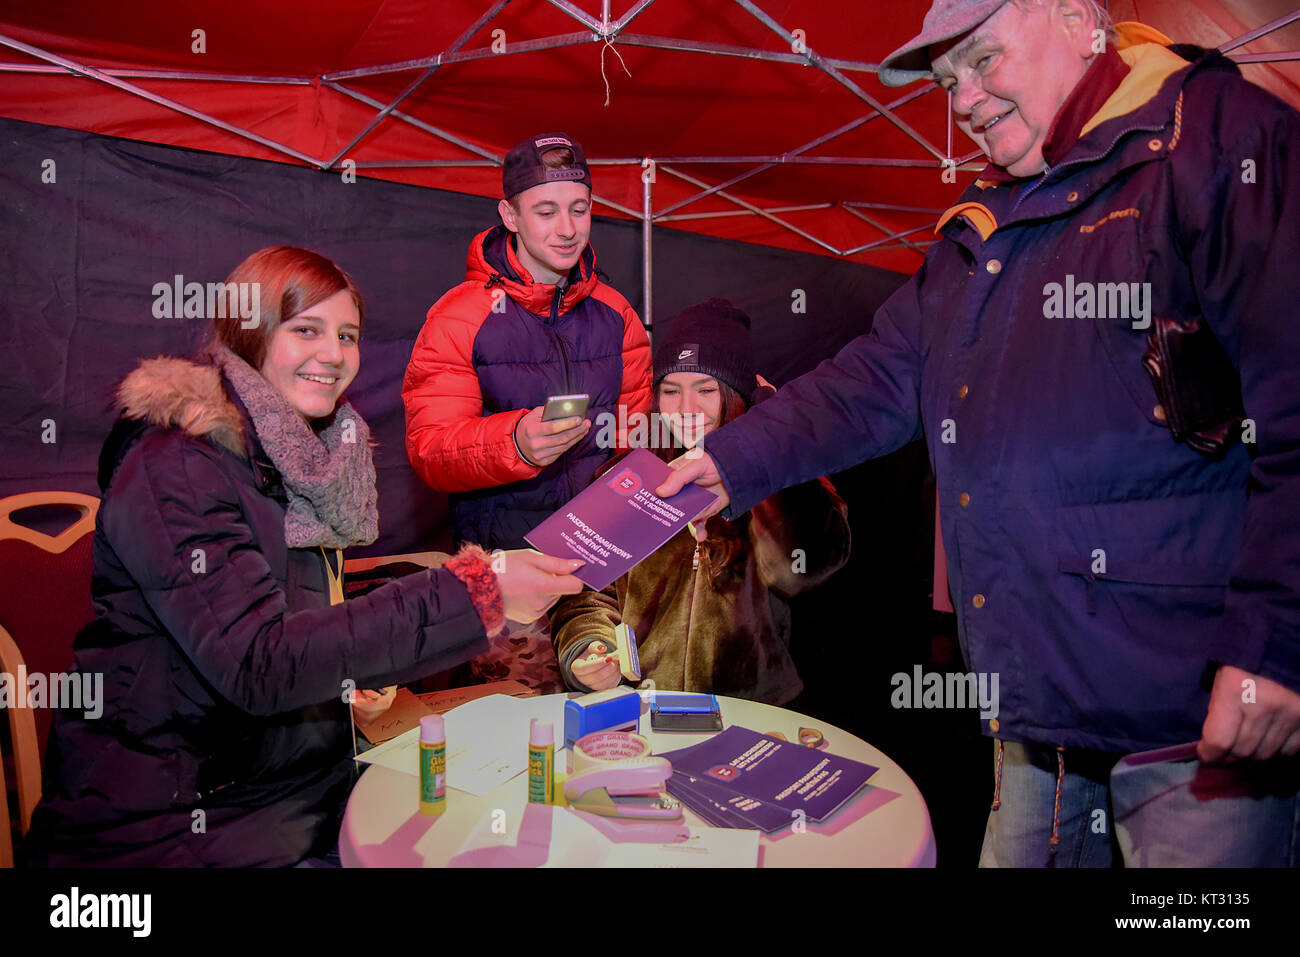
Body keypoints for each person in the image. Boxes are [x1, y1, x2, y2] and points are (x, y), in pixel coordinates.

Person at [658, 0, 1300, 866]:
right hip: (1034, 710)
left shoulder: (1215, 139)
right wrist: (729, 459)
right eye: (948, 78)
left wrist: (1276, 643)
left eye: (982, 58)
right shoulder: (980, 233)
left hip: (1187, 721)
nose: (963, 96)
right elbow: (873, 379)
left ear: (1079, 21)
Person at [22, 246, 584, 867]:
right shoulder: (176, 463)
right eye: (306, 330)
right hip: (172, 825)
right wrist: (476, 591)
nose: (334, 354)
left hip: (294, 793)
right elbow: (260, 662)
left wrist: (364, 668)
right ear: (252, 331)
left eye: (347, 335)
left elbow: (296, 625)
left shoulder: (298, 459)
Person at [403, 131, 651, 691]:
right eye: (545, 210)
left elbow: (633, 447)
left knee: (607, 737)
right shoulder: (459, 316)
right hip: (511, 586)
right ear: (509, 215)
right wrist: (513, 442)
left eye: (579, 209)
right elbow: (429, 451)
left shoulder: (617, 314)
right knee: (517, 750)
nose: (566, 228)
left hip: (604, 578)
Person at [549, 300, 850, 704]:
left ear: (739, 394)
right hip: (642, 709)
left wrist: (767, 439)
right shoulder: (628, 477)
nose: (686, 409)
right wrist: (589, 648)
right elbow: (582, 590)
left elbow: (804, 570)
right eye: (671, 391)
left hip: (752, 714)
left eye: (706, 390)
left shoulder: (782, 477)